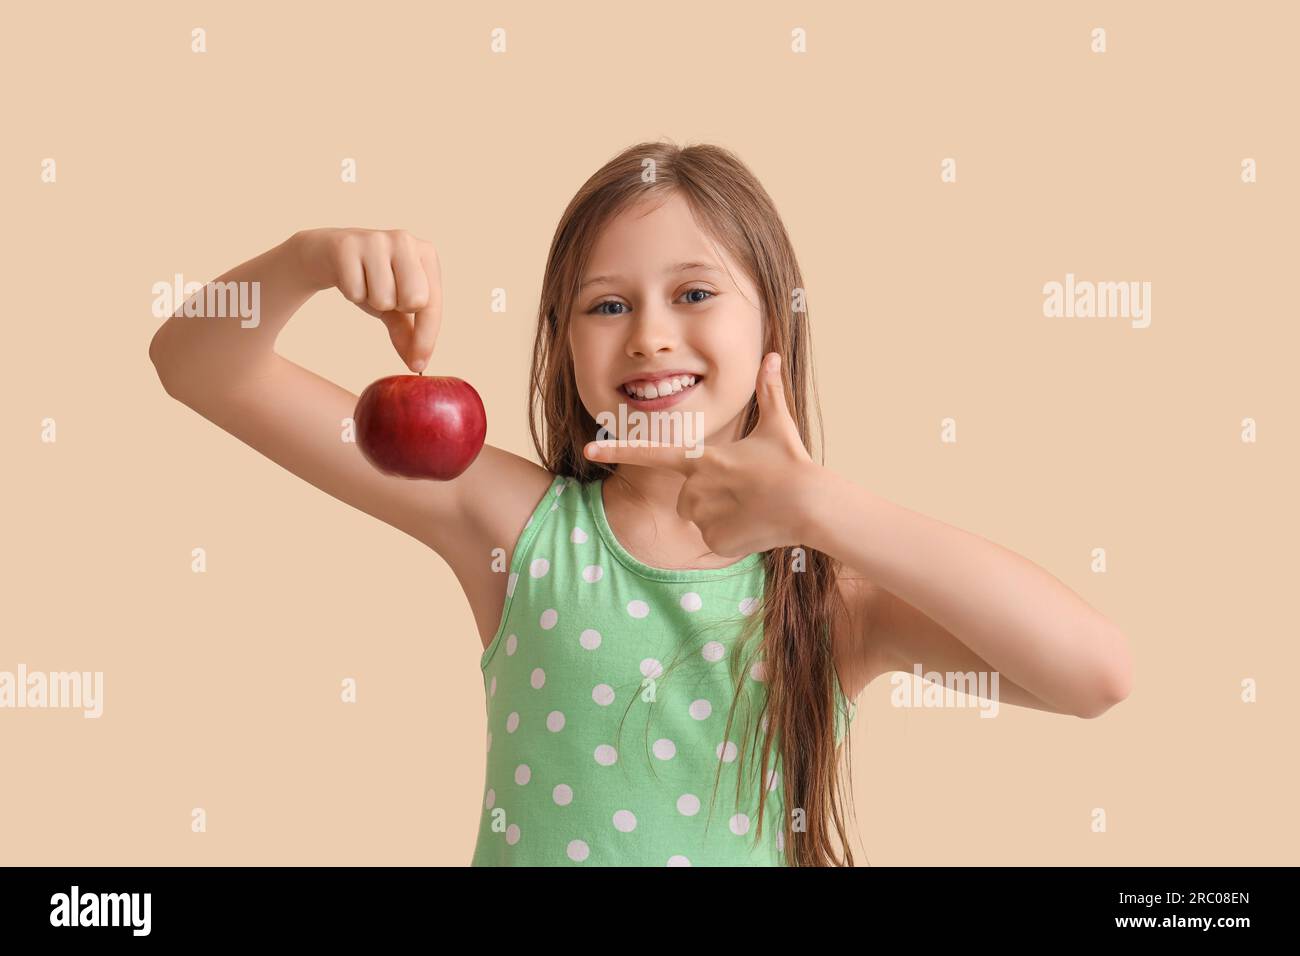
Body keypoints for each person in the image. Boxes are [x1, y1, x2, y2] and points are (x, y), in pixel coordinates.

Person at [148, 140, 1132, 866]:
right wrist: (306, 260)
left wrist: (823, 507)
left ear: (773, 319)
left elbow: (1094, 673)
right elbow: (197, 367)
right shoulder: (511, 525)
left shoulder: (830, 597)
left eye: (694, 293)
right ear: (562, 343)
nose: (651, 335)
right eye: (606, 304)